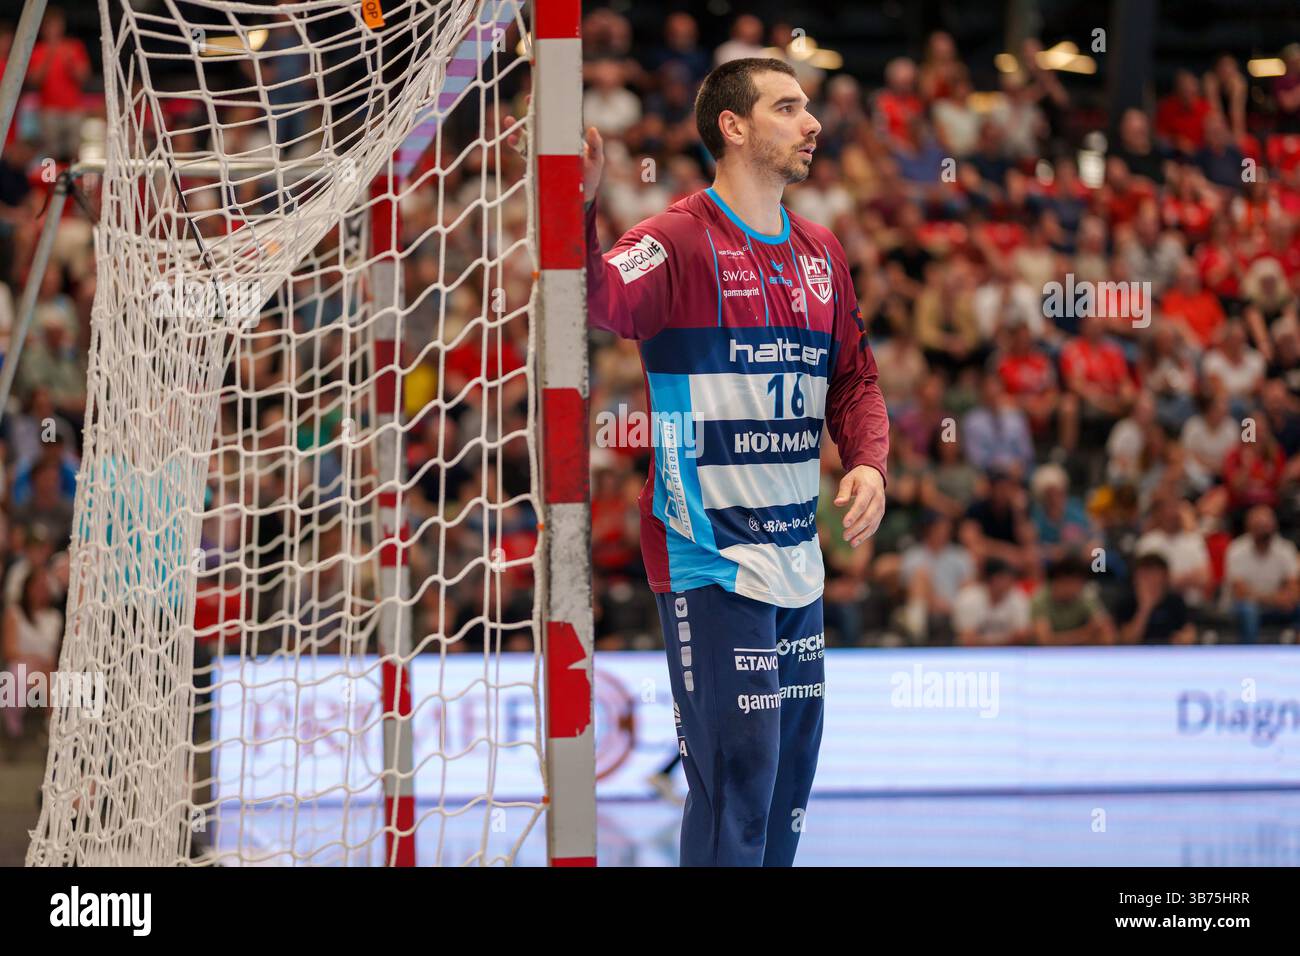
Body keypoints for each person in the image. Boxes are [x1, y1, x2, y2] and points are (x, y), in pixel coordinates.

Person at [567, 58, 890, 866]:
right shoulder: (676, 239)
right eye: (788, 107)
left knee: (787, 789)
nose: (812, 122)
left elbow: (855, 379)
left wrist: (869, 462)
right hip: (706, 556)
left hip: (797, 561)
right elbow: (601, 296)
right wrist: (576, 207)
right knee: (737, 780)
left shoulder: (823, 253)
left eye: (809, 106)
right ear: (733, 127)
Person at [1223, 505, 1300, 643]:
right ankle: (1250, 657)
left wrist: (1284, 598)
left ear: (1274, 526)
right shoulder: (1236, 549)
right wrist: (1274, 599)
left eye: (1266, 526)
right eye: (1259, 526)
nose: (1263, 530)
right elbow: (1241, 593)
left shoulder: (1286, 549)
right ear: (1249, 527)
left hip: (1277, 608)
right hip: (1244, 607)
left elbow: (1293, 588)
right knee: (1248, 610)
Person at [1113, 553, 1195, 644]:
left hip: (1169, 654)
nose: (1152, 582)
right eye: (1146, 577)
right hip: (1136, 655)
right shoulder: (1126, 604)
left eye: (1156, 577)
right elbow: (1127, 640)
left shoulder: (1176, 602)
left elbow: (1189, 632)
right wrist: (1145, 608)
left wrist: (1183, 638)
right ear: (1135, 579)